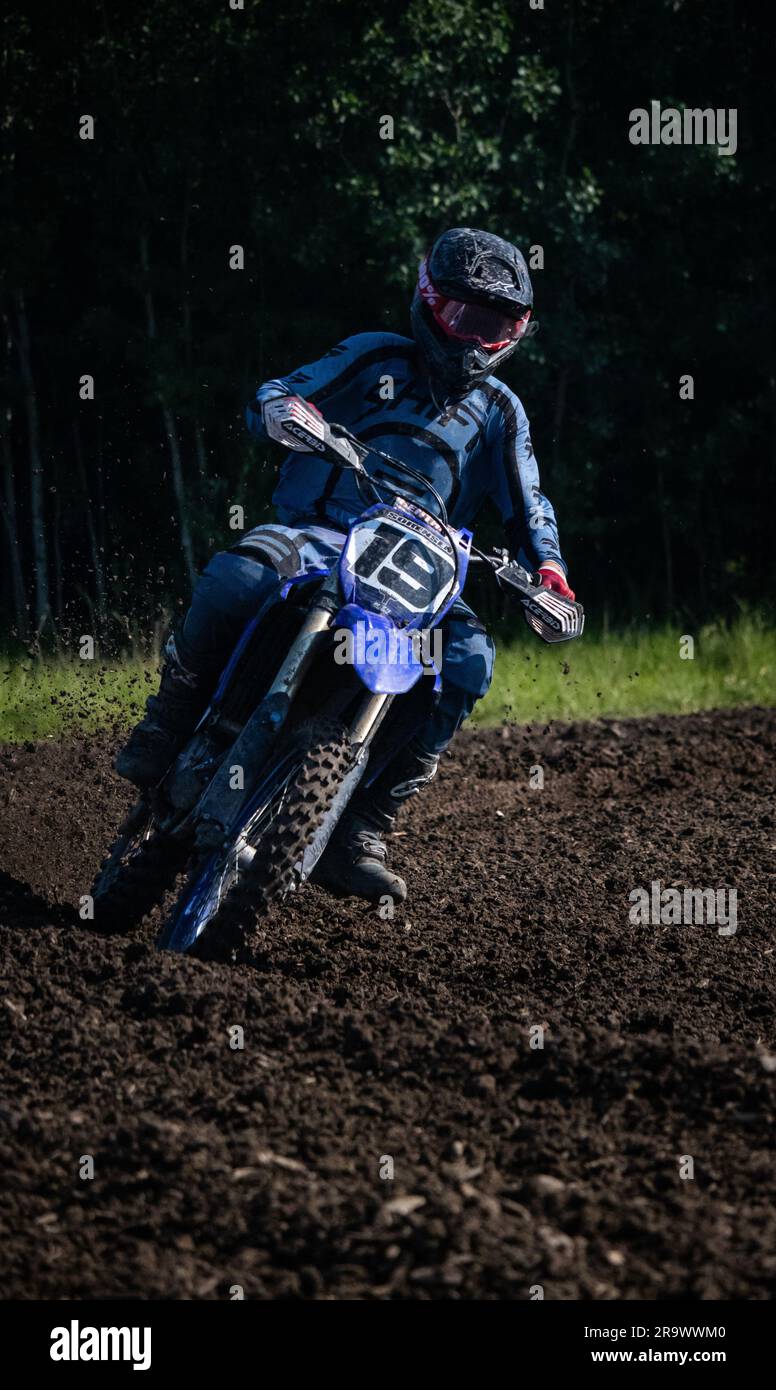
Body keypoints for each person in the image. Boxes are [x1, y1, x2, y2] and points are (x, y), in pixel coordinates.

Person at [116, 227, 575, 902]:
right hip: (316, 533)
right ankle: (167, 723)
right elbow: (286, 389)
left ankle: (361, 827)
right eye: (466, 319)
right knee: (236, 579)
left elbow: (531, 504)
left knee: (471, 658)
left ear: (518, 332)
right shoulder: (373, 356)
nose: (477, 341)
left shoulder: (501, 413)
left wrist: (550, 574)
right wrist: (286, 410)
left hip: (419, 571)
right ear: (429, 302)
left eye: (497, 326)